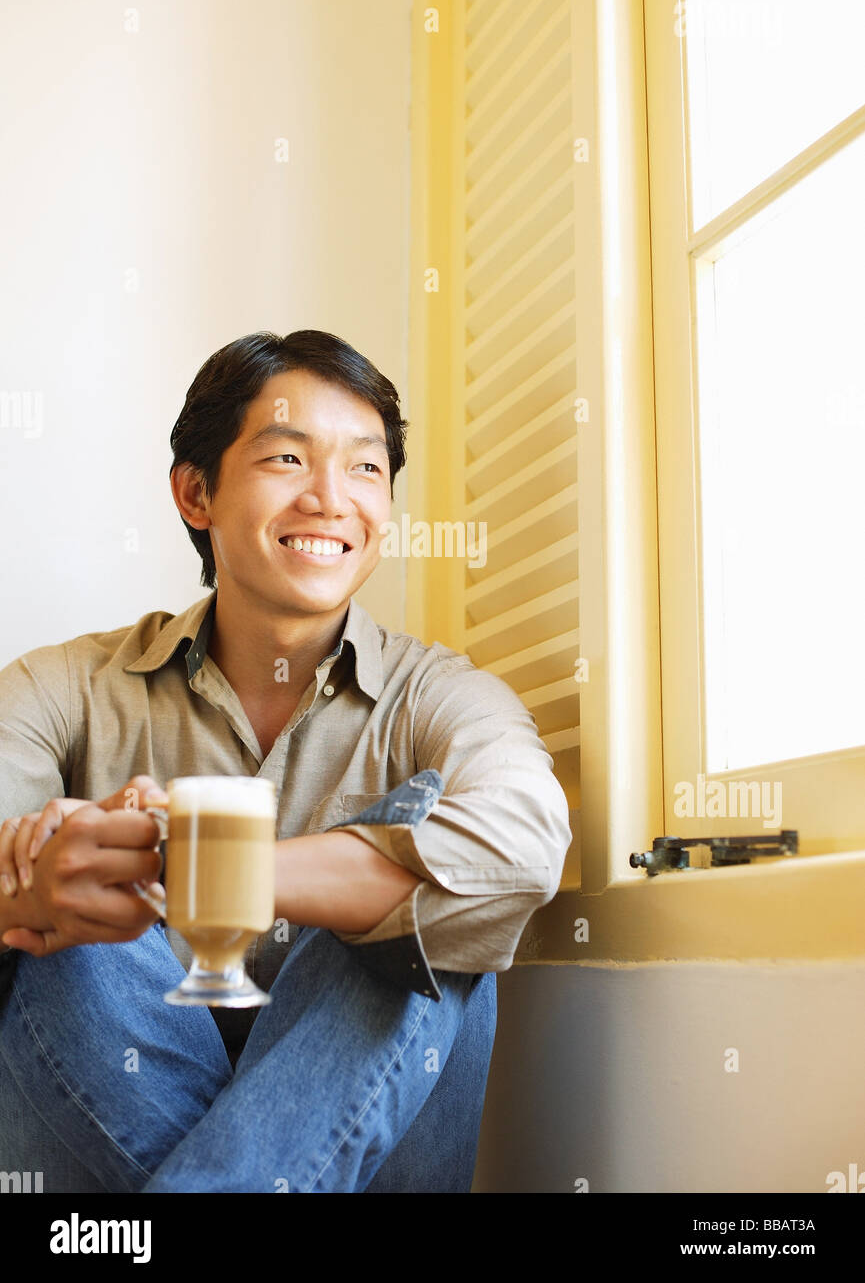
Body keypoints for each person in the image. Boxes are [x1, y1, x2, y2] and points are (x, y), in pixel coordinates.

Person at [0, 329, 571, 1193]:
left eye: (366, 469)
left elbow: (525, 846)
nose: (331, 499)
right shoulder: (62, 686)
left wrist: (217, 866)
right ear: (197, 493)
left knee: (420, 865)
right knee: (70, 869)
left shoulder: (441, 696)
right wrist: (31, 887)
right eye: (286, 459)